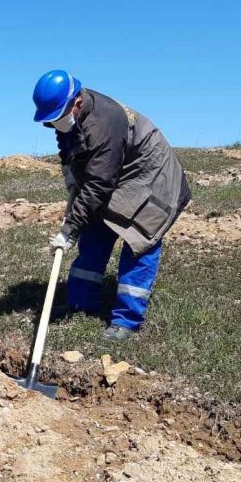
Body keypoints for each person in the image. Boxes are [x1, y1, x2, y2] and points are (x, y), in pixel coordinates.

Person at [32, 70, 191, 340]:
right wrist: (71, 174)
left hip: (150, 173)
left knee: (140, 237)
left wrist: (68, 229)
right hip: (115, 167)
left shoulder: (104, 123)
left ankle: (126, 320)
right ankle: (81, 302)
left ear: (77, 103)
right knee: (95, 229)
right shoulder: (67, 118)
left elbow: (98, 185)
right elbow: (68, 145)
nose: (55, 124)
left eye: (58, 117)